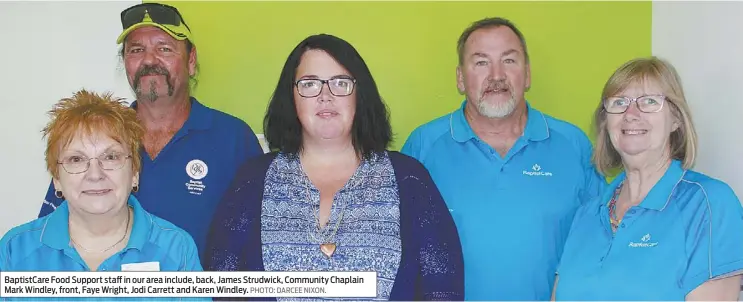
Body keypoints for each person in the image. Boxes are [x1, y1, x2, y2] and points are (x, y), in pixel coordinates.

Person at [203, 33, 464, 300]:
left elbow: (443, 288)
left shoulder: (410, 179)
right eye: (309, 84)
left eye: (341, 83)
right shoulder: (252, 179)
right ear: (291, 96)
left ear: (360, 95)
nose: (325, 96)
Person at [400, 17, 606, 300]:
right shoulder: (422, 147)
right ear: (460, 78)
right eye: (481, 62)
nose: (496, 76)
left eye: (509, 61)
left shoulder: (574, 146)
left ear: (528, 74)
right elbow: (399, 252)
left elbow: (600, 245)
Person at [37, 2, 264, 258]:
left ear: (191, 60)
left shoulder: (234, 139)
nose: (148, 59)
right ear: (125, 63)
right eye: (136, 50)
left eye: (164, 48)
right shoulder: (96, 137)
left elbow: (258, 243)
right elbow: (50, 235)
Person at [553, 57, 743, 300]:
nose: (631, 114)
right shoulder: (587, 214)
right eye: (619, 102)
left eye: (649, 102)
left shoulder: (709, 204)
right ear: (606, 121)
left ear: (676, 119)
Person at [0, 90, 201, 274]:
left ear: (135, 174)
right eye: (76, 159)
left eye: (111, 157)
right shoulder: (14, 251)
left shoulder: (177, 250)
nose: (95, 174)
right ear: (57, 180)